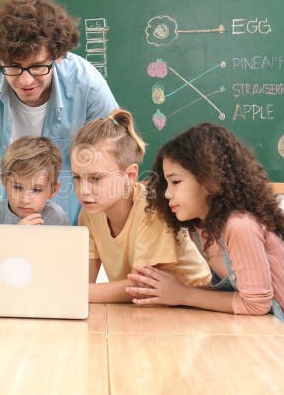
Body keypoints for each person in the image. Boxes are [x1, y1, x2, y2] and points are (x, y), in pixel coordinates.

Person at [130, 122, 284, 362]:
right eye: (166, 184)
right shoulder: (200, 230)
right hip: (271, 333)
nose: (167, 193)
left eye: (176, 182)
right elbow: (238, 294)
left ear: (208, 179)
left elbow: (256, 304)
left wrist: (183, 294)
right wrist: (175, 293)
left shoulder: (239, 225)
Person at [0, 0, 118, 224]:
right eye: (13, 67)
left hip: (66, 219)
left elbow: (116, 158)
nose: (25, 81)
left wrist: (98, 234)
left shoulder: (86, 83)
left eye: (37, 67)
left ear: (58, 56)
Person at [71, 109, 211, 303]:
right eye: (77, 177)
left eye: (96, 178)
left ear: (130, 176)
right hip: (147, 308)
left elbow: (144, 286)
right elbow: (86, 282)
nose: (83, 190)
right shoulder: (90, 213)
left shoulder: (152, 210)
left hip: (194, 305)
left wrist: (74, 293)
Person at [0, 136, 68, 225]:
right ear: (4, 182)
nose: (25, 200)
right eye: (17, 187)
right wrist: (18, 232)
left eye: (36, 190)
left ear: (53, 189)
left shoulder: (56, 217)